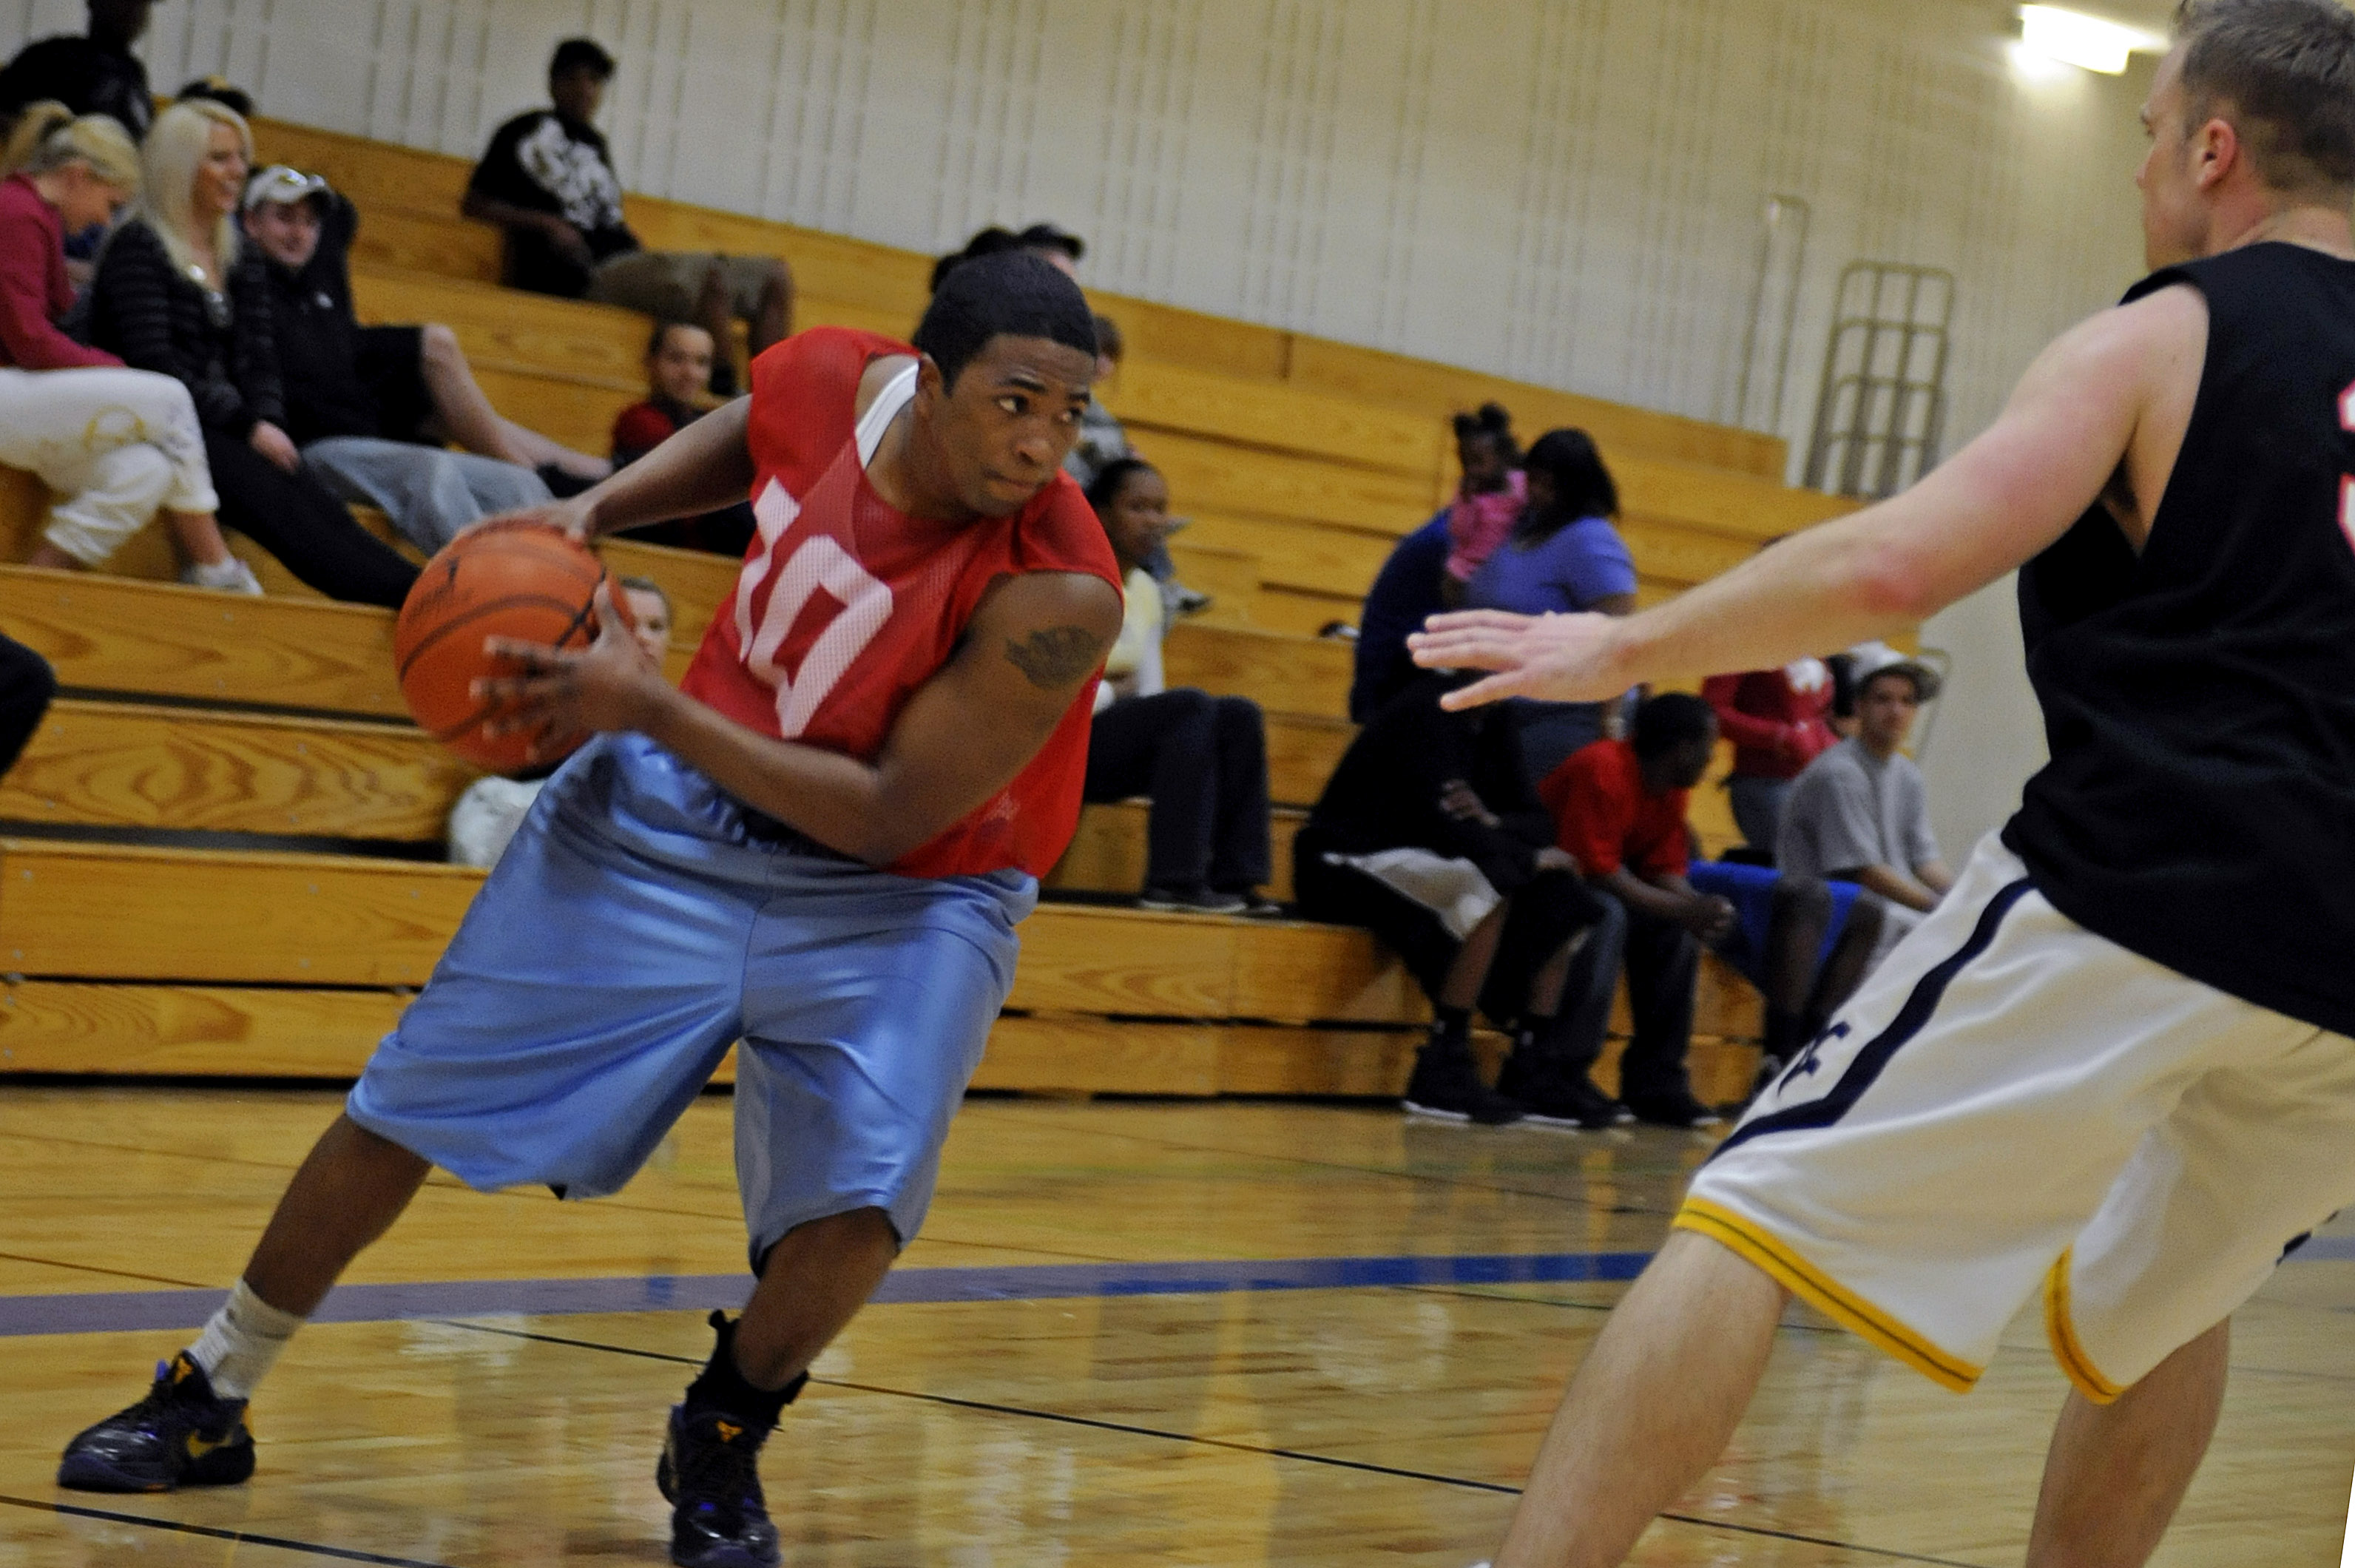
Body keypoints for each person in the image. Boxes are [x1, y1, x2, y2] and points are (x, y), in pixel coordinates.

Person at [1406, 4, 2355, 1560]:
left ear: (2211, 148)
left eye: (2144, 139)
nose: (2135, 179)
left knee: (1752, 1210)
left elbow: (1897, 559)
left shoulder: (2163, 332)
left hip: (2154, 879)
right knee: (2175, 1297)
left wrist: (1622, 644)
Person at [55, 250, 1124, 1568]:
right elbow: (753, 428)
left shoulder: (1061, 589)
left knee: (863, 1201)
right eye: (1015, 401)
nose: (1043, 445)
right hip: (672, 821)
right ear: (925, 381)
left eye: (1069, 417)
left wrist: (651, 703)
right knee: (403, 1102)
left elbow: (890, 810)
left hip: (904, 893)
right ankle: (211, 1389)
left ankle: (724, 1430)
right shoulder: (844, 379)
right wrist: (594, 510)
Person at [82, 101, 419, 607]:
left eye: (241, 156)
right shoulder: (140, 245)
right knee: (281, 505)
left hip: (218, 421)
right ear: (180, 166)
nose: (238, 170)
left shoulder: (236, 252)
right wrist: (248, 426)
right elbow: (155, 364)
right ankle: (409, 595)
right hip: (155, 422)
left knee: (315, 498)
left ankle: (419, 588)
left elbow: (259, 359)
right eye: (220, 157)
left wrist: (267, 421)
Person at [1293, 669, 1615, 1127]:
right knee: (1486, 882)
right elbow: (1441, 828)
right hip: (1345, 858)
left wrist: (1494, 822)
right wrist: (1522, 853)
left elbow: (1537, 821)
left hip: (1425, 854)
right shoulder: (1422, 711)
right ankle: (1443, 1059)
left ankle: (1531, 1060)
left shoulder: (1495, 717)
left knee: (1564, 897)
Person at [1540, 693, 1882, 1124]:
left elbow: (1662, 868)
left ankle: (1657, 1080)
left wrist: (1696, 907)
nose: (1712, 756)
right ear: (1682, 748)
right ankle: (1560, 1070)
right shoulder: (1603, 767)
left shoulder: (1668, 787)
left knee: (1675, 932)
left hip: (1600, 883)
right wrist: (1683, 908)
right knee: (1609, 914)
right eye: (1709, 744)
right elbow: (1599, 872)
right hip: (1547, 881)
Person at [0, 104, 254, 590]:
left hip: (15, 393)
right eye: (110, 203)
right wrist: (117, 369)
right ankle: (218, 567)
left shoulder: (39, 217)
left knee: (147, 470)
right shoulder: (17, 212)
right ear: (77, 177)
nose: (104, 219)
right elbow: (32, 342)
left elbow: (59, 315)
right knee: (170, 398)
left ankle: (34, 586)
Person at [243, 163, 608, 492]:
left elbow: (341, 213)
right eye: (285, 218)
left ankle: (589, 475)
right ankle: (552, 479)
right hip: (329, 434)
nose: (299, 233)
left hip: (362, 407)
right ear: (250, 223)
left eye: (308, 222)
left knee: (484, 452)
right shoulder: (250, 289)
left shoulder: (317, 276)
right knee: (442, 443)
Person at [462, 38, 792, 397]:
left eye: (595, 82)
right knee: (712, 280)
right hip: (583, 275)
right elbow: (475, 204)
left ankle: (773, 399)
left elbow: (607, 215)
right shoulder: (522, 132)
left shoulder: (595, 144)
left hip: (623, 260)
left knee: (775, 276)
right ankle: (729, 393)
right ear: (554, 83)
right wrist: (547, 224)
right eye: (575, 79)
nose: (586, 90)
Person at [1079, 457, 1272, 913]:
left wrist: (1120, 695)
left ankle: (1237, 879)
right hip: (1058, 745)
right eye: (1138, 507)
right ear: (1102, 513)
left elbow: (1150, 696)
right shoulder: (1074, 580)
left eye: (1160, 509)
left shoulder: (1146, 590)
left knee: (1237, 715)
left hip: (1107, 741)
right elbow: (1043, 695)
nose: (1153, 521)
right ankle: (1172, 882)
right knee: (1189, 707)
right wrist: (1112, 693)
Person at [447, 577, 673, 870]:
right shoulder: (547, 706)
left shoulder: (687, 730)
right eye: (629, 623)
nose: (644, 637)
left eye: (656, 627)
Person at [1464, 427, 1638, 782]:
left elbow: (1617, 635)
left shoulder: (1592, 540)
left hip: (1567, 715)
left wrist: (1610, 723)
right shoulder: (1524, 525)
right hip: (1506, 708)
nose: (1539, 493)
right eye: (1534, 481)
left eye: (1550, 485)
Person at [1776, 643, 1950, 962]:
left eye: (1907, 701)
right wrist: (1940, 908)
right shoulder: (1840, 773)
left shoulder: (1907, 774)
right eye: (1883, 699)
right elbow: (1867, 873)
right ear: (1859, 706)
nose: (1896, 711)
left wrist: (1965, 895)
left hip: (1884, 918)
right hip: (1832, 927)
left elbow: (1924, 860)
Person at [607, 320, 757, 555]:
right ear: (651, 362)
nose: (690, 373)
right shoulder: (638, 420)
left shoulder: (709, 416)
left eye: (701, 362)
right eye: (677, 359)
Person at [0, 0, 158, 143]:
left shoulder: (135, 75)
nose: (135, 12)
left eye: (142, 4)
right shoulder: (50, 59)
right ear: (93, 3)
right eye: (128, 3)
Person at [1440, 402, 1526, 592]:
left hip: (1499, 568)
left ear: (1504, 457)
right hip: (1465, 572)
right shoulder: (1470, 495)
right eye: (1466, 462)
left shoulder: (1520, 483)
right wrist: (1467, 502)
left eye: (1479, 462)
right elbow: (1460, 533)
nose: (1471, 470)